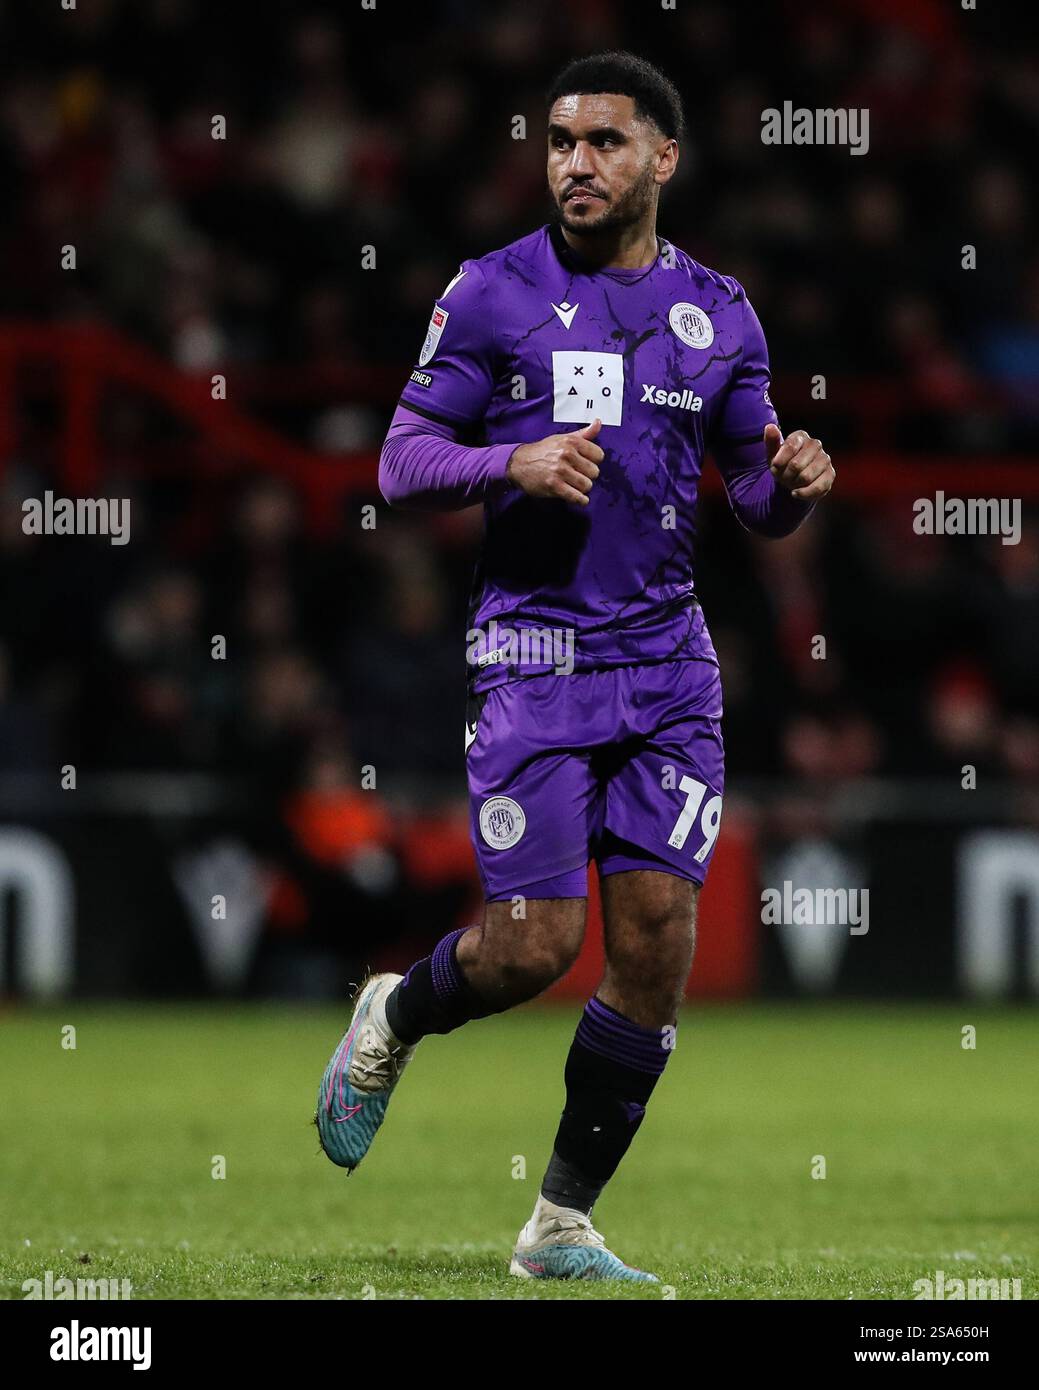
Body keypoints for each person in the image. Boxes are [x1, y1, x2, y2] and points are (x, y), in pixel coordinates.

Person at [316, 50, 835, 1282]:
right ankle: (393, 1011)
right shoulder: (491, 293)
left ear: (662, 157)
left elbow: (750, 492)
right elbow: (398, 459)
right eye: (557, 141)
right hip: (533, 659)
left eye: (603, 141)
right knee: (533, 947)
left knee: (654, 943)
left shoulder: (721, 314)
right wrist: (514, 462)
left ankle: (559, 1222)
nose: (574, 163)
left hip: (668, 666)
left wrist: (793, 486)